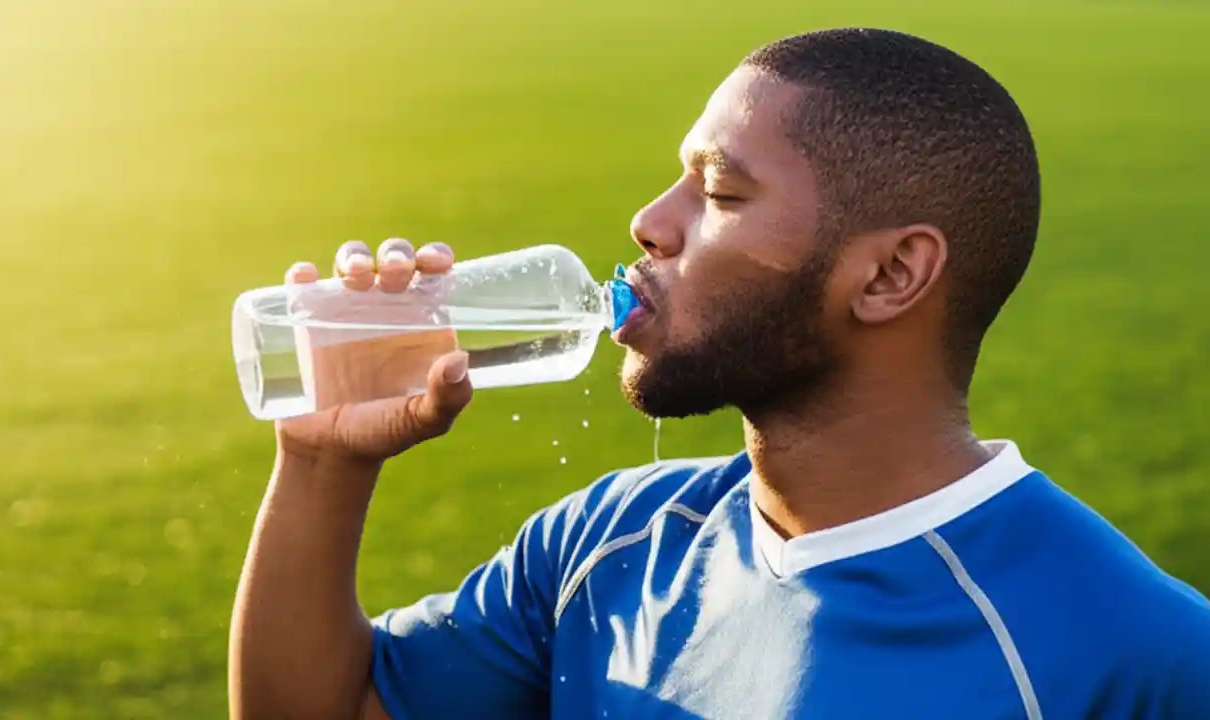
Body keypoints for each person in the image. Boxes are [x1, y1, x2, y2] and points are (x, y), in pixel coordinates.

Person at [228, 28, 1210, 719]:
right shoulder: (606, 543)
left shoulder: (1131, 654)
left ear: (889, 275)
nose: (649, 224)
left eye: (720, 192)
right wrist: (322, 461)